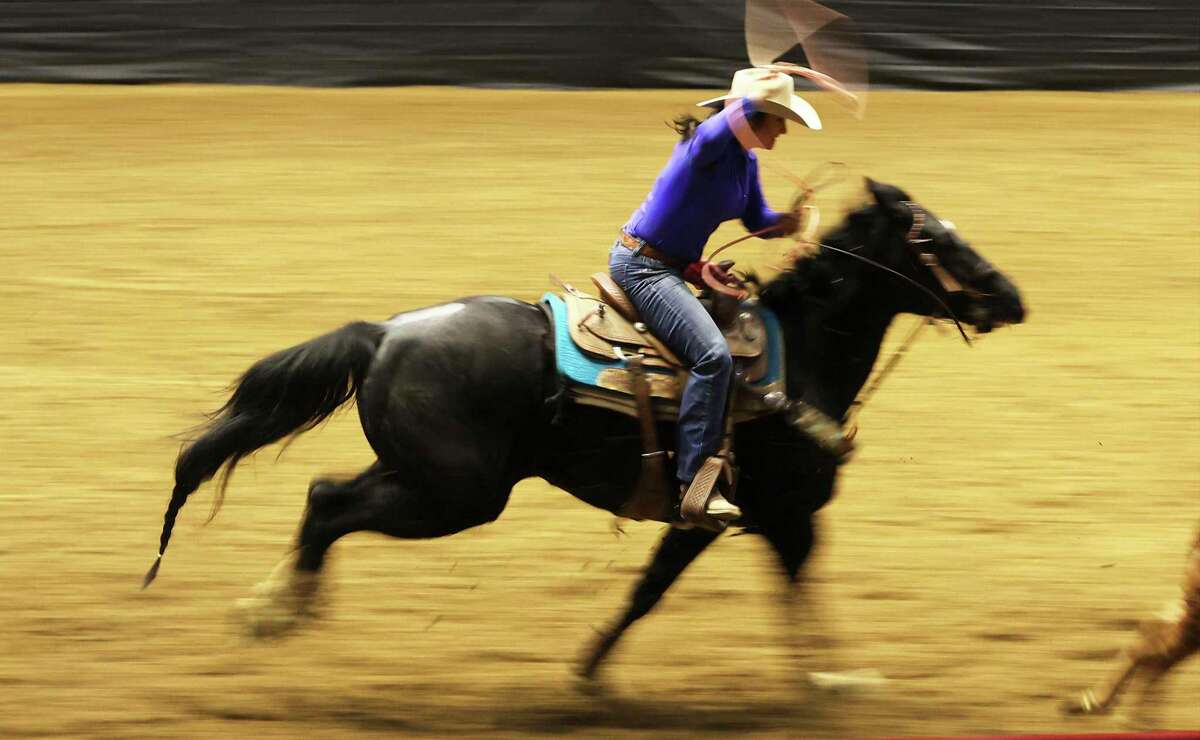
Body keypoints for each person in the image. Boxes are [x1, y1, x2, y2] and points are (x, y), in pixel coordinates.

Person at [608, 68, 822, 525]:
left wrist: (788, 221)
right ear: (753, 115)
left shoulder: (744, 161)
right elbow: (716, 133)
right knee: (712, 356)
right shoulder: (706, 145)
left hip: (671, 266)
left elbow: (755, 220)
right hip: (643, 267)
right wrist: (748, 101)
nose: (783, 129)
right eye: (777, 118)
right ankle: (695, 483)